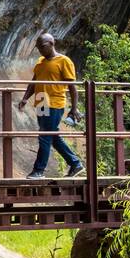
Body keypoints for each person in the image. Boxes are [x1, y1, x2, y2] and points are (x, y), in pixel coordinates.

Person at [16, 32, 83, 180]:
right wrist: (25, 98)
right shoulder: (40, 61)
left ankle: (38, 170)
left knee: (45, 136)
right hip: (41, 101)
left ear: (52, 44)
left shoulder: (64, 61)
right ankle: (75, 163)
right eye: (38, 47)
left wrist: (74, 107)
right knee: (52, 136)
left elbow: (72, 86)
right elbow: (34, 81)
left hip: (54, 102)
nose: (40, 49)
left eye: (43, 46)